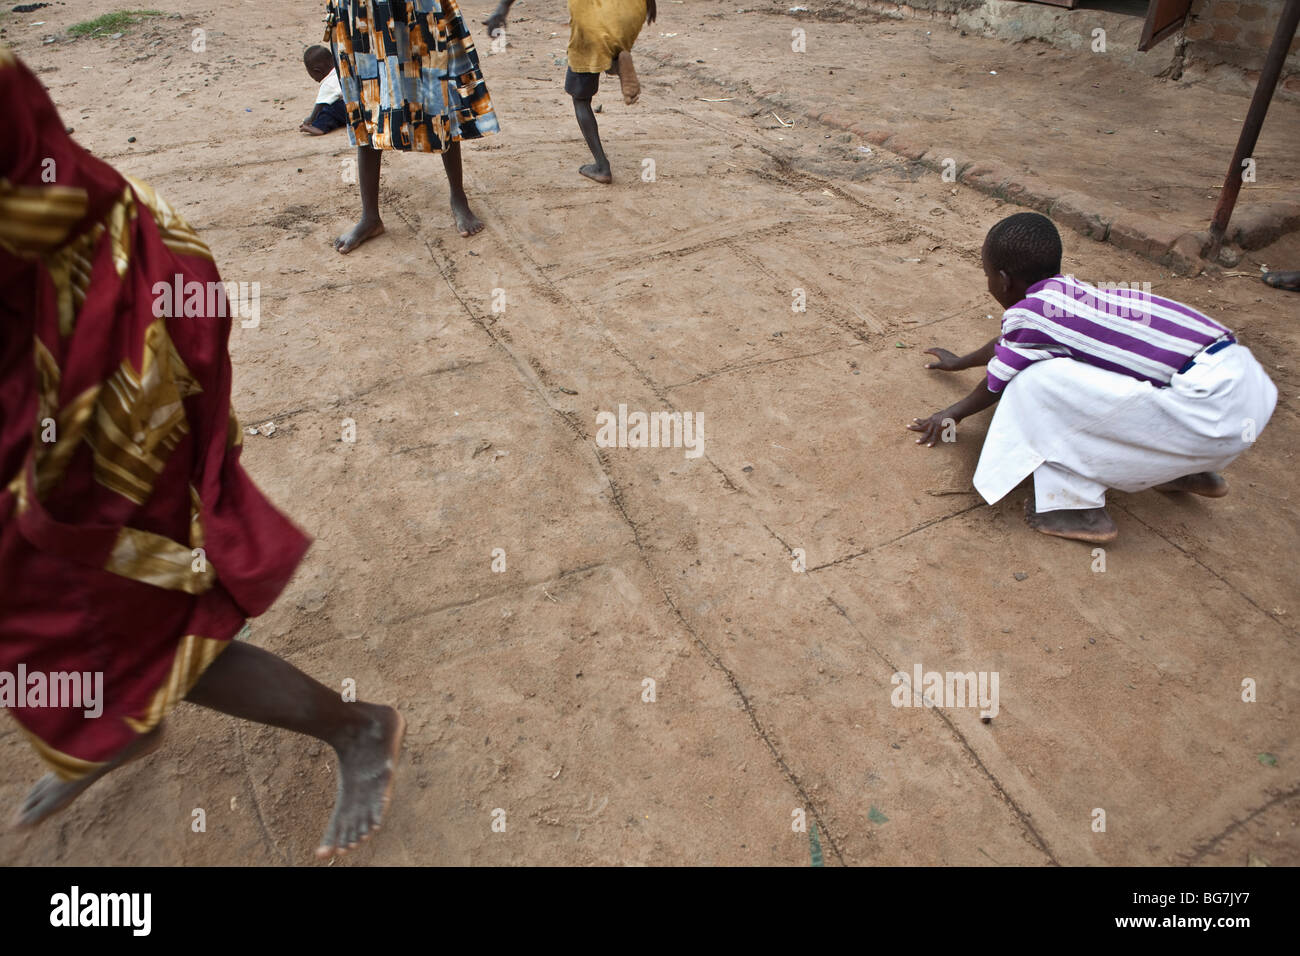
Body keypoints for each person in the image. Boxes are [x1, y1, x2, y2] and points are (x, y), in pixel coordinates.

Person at [0, 48, 403, 859]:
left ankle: (356, 727)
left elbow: (42, 192)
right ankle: (107, 719)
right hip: (46, 337)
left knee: (121, 590)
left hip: (85, 338)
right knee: (42, 605)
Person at [909, 212, 1278, 543]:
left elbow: (998, 379)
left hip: (1209, 408)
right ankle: (1186, 470)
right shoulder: (1067, 294)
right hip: (1243, 385)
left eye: (987, 275)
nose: (987, 282)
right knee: (1097, 376)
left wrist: (951, 413)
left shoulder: (1033, 315)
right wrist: (960, 363)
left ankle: (1076, 511)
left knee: (1033, 386)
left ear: (1004, 281)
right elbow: (1015, 340)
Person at [325, 0, 500, 252]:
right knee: (367, 103)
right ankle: (370, 217)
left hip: (413, 7)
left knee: (436, 91)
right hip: (359, 10)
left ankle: (458, 197)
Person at [485, 0, 656, 183]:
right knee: (611, 44)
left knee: (581, 100)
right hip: (631, 14)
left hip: (592, 27)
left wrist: (502, 9)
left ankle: (601, 166)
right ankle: (616, 64)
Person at [300, 44, 348, 136]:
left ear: (317, 71)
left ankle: (319, 127)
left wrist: (310, 119)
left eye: (312, 75)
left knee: (328, 109)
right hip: (361, 106)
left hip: (350, 109)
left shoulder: (328, 84)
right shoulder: (341, 69)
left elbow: (319, 105)